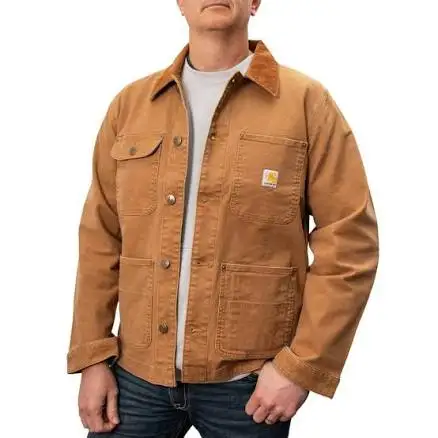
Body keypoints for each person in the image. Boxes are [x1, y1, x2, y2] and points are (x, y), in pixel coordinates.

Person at [66, 1, 379, 436]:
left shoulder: (306, 104)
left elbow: (350, 243)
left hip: (251, 384)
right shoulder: (131, 106)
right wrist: (92, 356)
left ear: (255, 2)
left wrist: (301, 367)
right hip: (134, 376)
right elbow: (101, 238)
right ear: (179, 3)